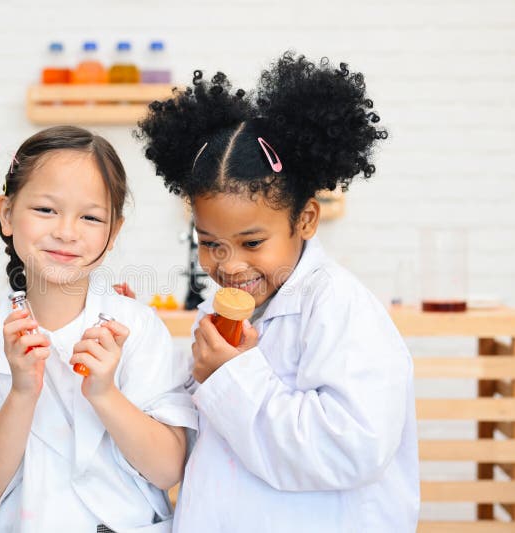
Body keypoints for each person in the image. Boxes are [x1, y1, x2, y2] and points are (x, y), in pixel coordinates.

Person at [136, 52, 419, 532]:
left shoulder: (339, 307)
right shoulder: (220, 310)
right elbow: (197, 425)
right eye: (209, 244)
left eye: (252, 243)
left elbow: (353, 448)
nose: (228, 265)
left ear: (305, 219)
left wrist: (230, 375)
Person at [0, 125, 196, 533]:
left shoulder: (138, 330)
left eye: (91, 217)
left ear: (114, 234)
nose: (67, 232)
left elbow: (167, 470)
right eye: (46, 210)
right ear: (7, 214)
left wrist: (106, 393)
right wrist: (22, 391)